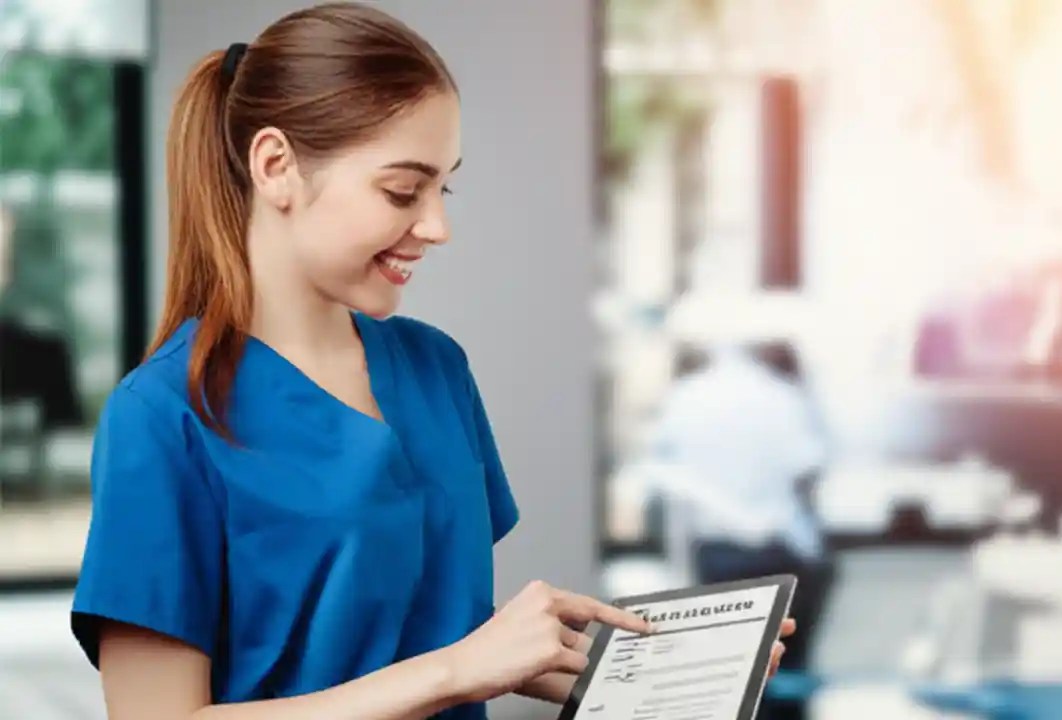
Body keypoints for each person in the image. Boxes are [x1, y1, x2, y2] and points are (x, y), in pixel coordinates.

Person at [68, 5, 792, 719]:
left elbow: (429, 636)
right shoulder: (164, 415)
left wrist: (634, 667)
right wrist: (456, 670)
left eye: (441, 188)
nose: (436, 226)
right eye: (401, 191)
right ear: (275, 166)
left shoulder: (435, 369)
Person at [647, 342, 835, 720]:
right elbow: (808, 466)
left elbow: (663, 479)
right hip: (781, 550)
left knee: (727, 681)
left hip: (719, 555)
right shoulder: (782, 396)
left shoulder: (688, 397)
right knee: (785, 676)